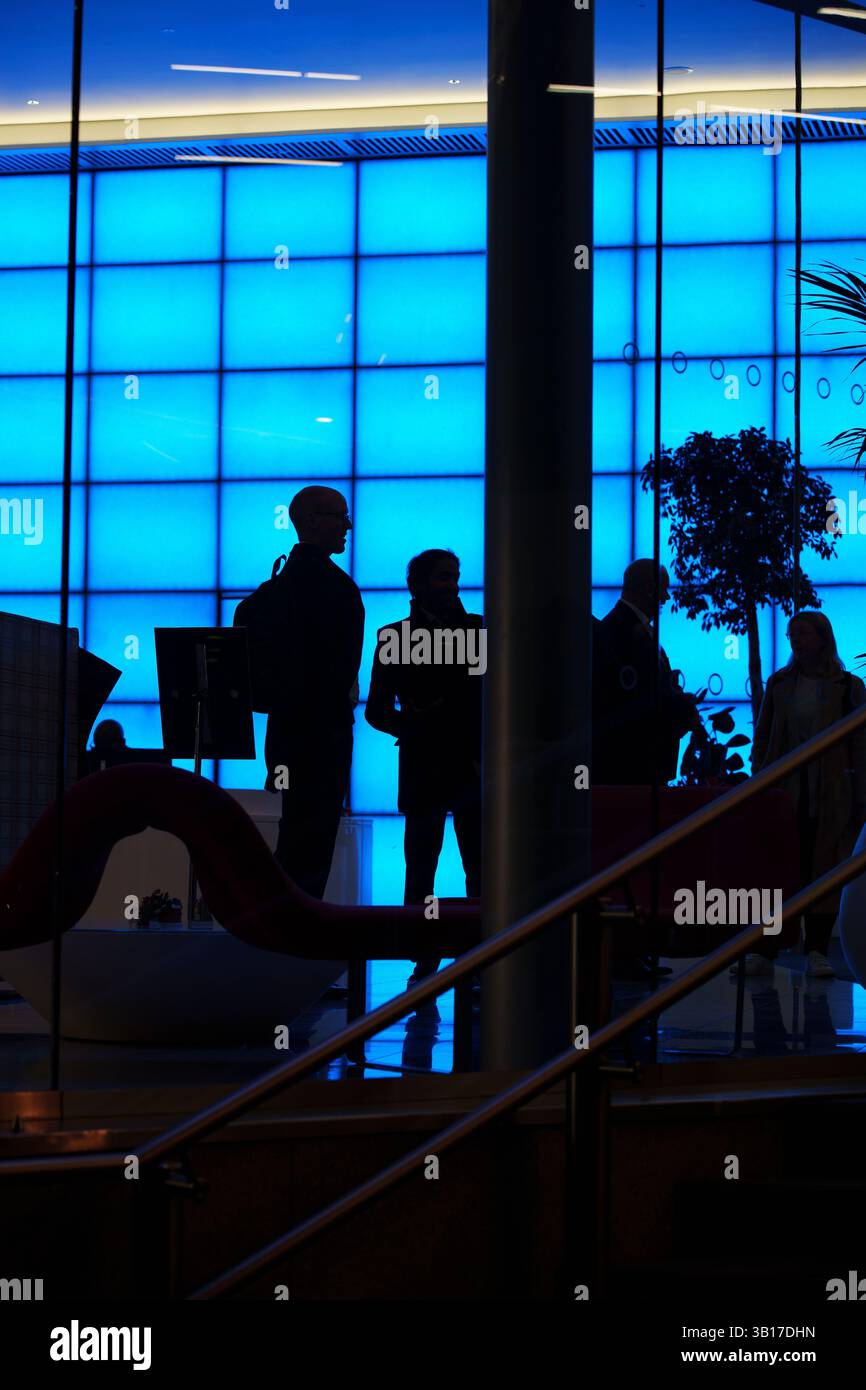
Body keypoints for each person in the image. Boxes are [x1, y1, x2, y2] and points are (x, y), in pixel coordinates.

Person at [365, 549, 482, 981]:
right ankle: (444, 949)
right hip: (448, 763)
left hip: (445, 762)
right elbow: (376, 711)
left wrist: (416, 723)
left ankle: (436, 950)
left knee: (466, 863)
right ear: (417, 585)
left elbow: (379, 712)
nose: (453, 585)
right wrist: (422, 725)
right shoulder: (475, 632)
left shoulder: (400, 636)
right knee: (430, 863)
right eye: (444, 578)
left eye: (454, 577)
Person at [735, 610, 866, 980]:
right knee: (778, 868)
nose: (796, 641)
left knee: (822, 868)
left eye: (803, 634)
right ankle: (767, 948)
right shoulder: (780, 685)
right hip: (786, 790)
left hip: (830, 791)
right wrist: (760, 777)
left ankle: (816, 950)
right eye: (793, 635)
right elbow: (764, 737)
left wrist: (860, 795)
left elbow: (859, 743)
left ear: (823, 638)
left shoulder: (847, 688)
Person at [264, 486, 364, 899]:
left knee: (294, 834)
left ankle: (279, 932)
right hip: (325, 737)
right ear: (309, 521)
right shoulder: (338, 589)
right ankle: (298, 937)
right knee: (314, 841)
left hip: (286, 735)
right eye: (339, 516)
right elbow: (342, 678)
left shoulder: (271, 591)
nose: (348, 525)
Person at [592, 559, 701, 785]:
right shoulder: (621, 631)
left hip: (638, 762)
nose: (667, 597)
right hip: (635, 765)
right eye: (664, 589)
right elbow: (637, 697)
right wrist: (679, 707)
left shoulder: (617, 628)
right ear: (649, 589)